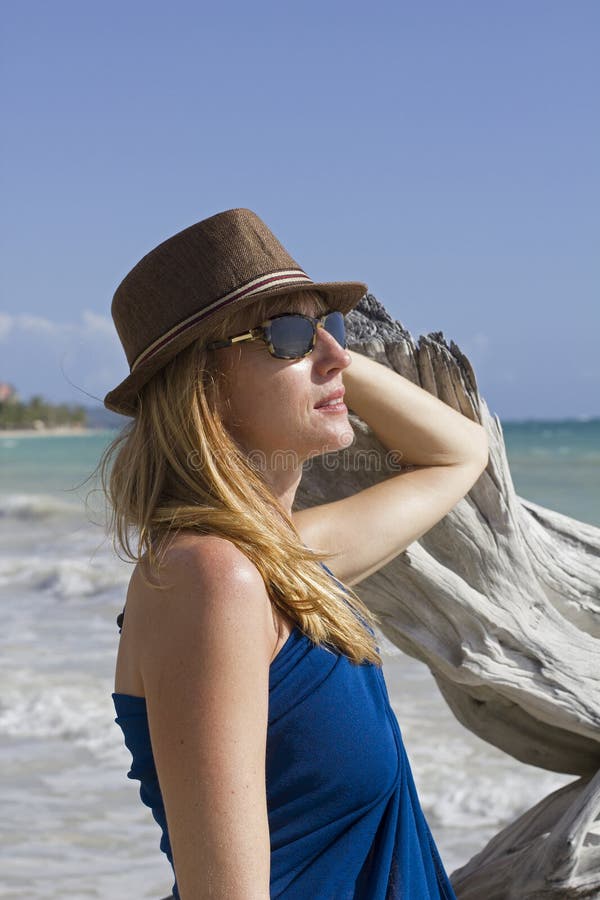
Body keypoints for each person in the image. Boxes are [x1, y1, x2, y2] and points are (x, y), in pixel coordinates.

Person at [101, 207, 488, 899]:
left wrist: (321, 361)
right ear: (204, 384)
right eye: (285, 336)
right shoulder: (213, 579)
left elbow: (457, 453)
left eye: (331, 328)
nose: (336, 354)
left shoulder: (279, 562)